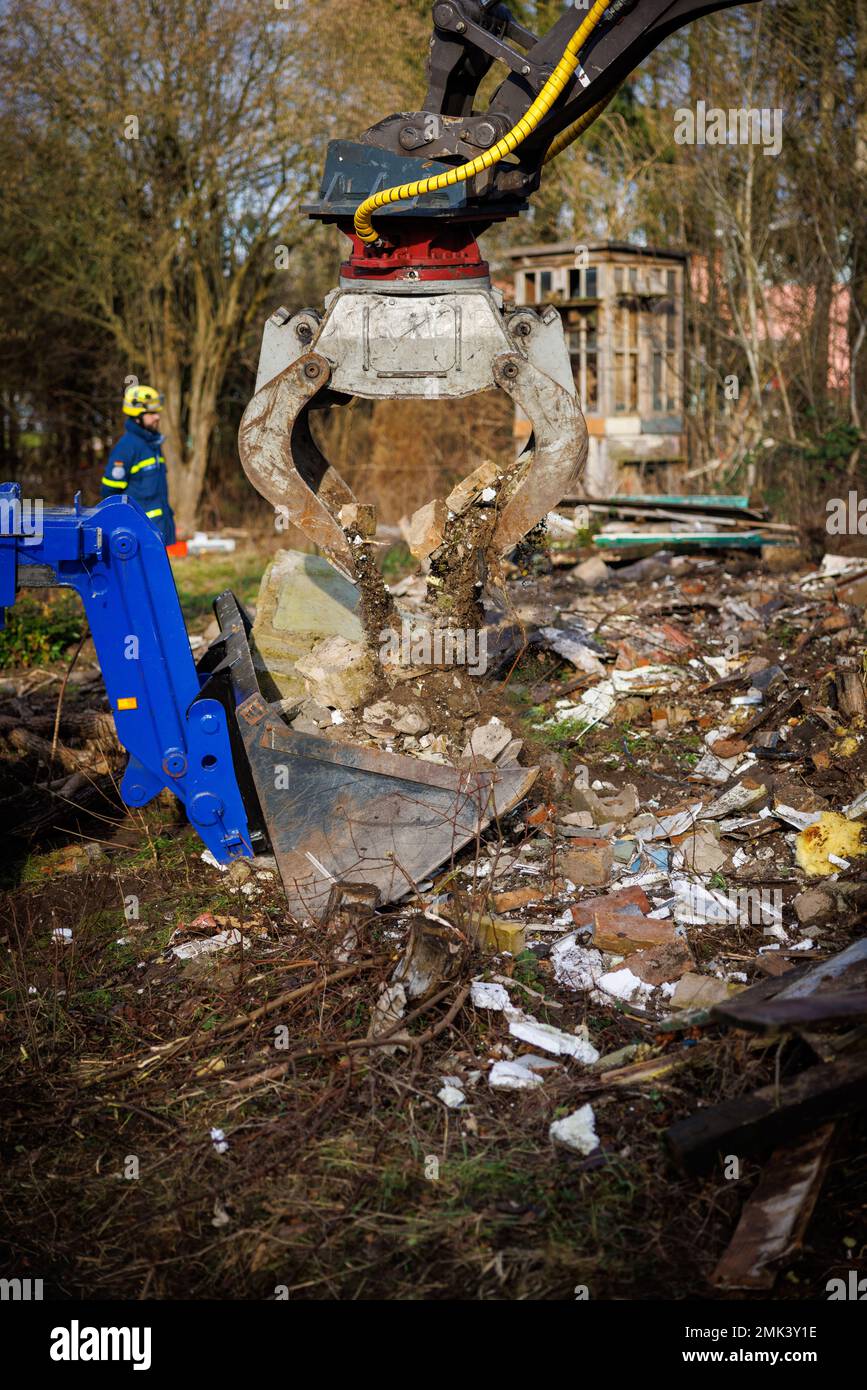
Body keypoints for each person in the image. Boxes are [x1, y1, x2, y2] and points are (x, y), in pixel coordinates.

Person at [101, 385, 176, 544]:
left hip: (156, 531)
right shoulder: (127, 448)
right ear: (137, 416)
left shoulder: (152, 445)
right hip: (139, 535)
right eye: (152, 413)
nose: (157, 417)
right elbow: (109, 492)